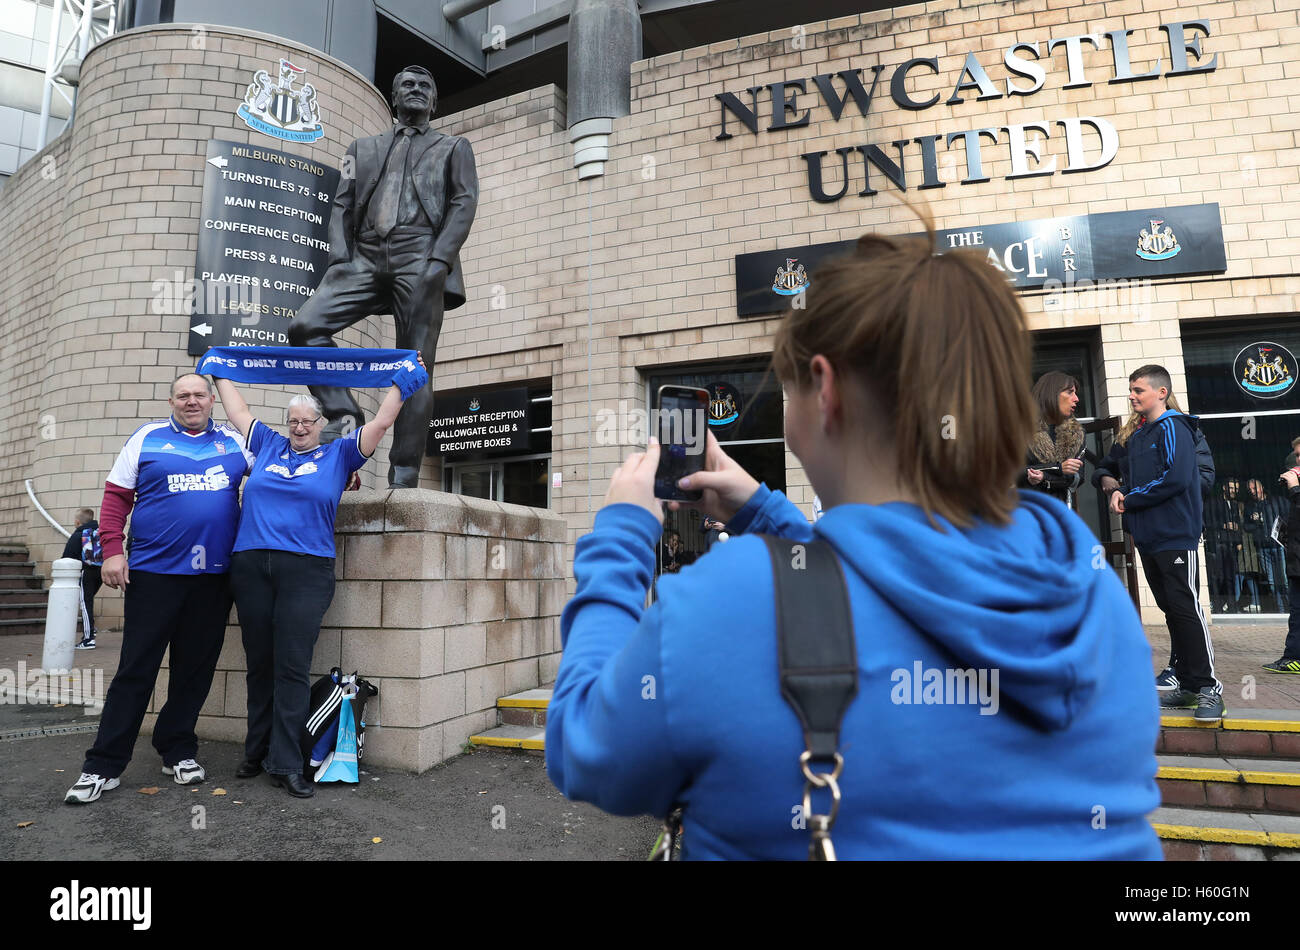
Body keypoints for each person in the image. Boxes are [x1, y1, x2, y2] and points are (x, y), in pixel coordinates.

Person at [546, 222, 1161, 859]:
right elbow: (898, 580)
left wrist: (622, 537)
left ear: (826, 389)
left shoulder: (726, 605)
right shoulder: (1092, 592)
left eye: (790, 392)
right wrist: (761, 509)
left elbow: (586, 747)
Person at [210, 357, 425, 798]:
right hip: (251, 565)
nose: (299, 427)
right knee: (259, 663)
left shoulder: (340, 454)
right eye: (293, 421)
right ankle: (256, 749)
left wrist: (403, 382)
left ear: (320, 423)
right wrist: (218, 369)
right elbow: (236, 412)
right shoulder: (267, 445)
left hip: (306, 570)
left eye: (307, 421)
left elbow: (383, 422)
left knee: (290, 667)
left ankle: (285, 762)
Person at [288, 65, 477, 488]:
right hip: (366, 258)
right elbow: (341, 205)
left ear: (434, 100)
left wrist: (439, 261)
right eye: (407, 84)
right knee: (304, 327)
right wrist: (340, 259)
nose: (416, 89)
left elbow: (464, 203)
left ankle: (405, 471)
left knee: (413, 365)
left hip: (420, 254)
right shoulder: (362, 148)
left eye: (425, 85)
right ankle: (343, 411)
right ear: (394, 98)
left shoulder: (454, 147)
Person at [65, 375, 251, 804]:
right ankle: (103, 766)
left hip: (213, 578)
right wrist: (112, 551)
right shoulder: (146, 438)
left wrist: (341, 476)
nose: (191, 401)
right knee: (136, 669)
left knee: (194, 670)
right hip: (153, 574)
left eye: (199, 394)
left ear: (212, 400)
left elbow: (283, 473)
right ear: (172, 400)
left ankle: (177, 750)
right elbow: (115, 498)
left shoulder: (236, 442)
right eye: (183, 395)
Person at [1102, 365, 1222, 721]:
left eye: (1139, 389)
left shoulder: (1175, 427)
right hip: (1149, 536)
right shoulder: (1138, 435)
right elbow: (1115, 472)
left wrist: (1128, 497)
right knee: (1172, 609)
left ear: (1161, 392)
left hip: (1175, 534)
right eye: (1131, 389)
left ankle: (1208, 689)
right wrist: (1117, 488)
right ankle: (1186, 685)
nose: (1132, 395)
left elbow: (1174, 480)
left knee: (1186, 609)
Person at [1022, 371, 1094, 507]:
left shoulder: (1076, 433)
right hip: (1025, 511)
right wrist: (1058, 468)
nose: (1076, 398)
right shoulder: (1020, 430)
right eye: (1070, 392)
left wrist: (1044, 477)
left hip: (1061, 511)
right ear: (1051, 394)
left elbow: (1077, 479)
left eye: (1076, 393)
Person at [1267, 466, 1300, 674]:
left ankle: (1293, 657)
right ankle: (1292, 657)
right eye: (1296, 455)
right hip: (1296, 561)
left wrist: (1296, 490)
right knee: (1296, 612)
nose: (1296, 460)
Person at [62, 507, 102, 650]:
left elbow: (67, 557)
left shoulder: (78, 535)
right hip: (100, 572)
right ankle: (90, 628)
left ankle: (88, 638)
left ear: (77, 522)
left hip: (86, 572)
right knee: (87, 602)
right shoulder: (100, 532)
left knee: (85, 604)